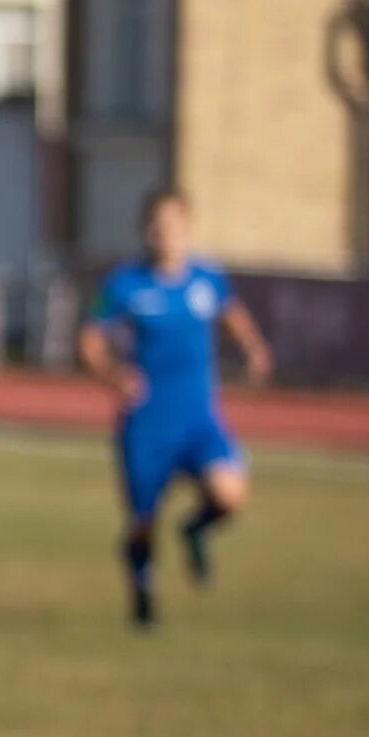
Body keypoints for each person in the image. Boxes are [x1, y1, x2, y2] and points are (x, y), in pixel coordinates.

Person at [78, 188, 274, 628]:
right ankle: (143, 588)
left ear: (186, 228)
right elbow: (89, 340)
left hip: (198, 418)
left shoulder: (208, 279)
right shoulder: (123, 284)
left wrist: (253, 347)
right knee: (142, 523)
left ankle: (195, 529)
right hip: (146, 422)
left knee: (230, 496)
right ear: (146, 230)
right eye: (156, 225)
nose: (164, 233)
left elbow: (231, 314)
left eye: (172, 225)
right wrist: (113, 375)